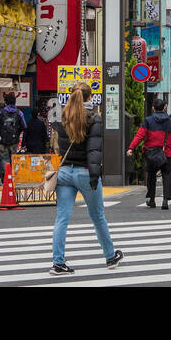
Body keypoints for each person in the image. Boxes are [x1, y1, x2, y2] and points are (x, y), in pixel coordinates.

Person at [49, 82, 123, 275]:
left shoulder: (64, 116)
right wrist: (94, 175)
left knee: (62, 218)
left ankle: (58, 263)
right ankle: (110, 256)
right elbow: (94, 151)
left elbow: (57, 146)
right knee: (98, 216)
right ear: (90, 98)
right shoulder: (94, 119)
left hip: (64, 172)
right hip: (84, 172)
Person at [127, 98, 171, 209]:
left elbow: (140, 136)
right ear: (164, 108)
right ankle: (165, 200)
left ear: (153, 108)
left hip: (151, 154)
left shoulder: (148, 121)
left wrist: (131, 147)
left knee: (151, 176)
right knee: (167, 176)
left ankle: (152, 199)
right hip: (167, 153)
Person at [0, 94, 27, 179]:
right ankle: (13, 177)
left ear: (5, 102)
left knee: (4, 158)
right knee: (13, 158)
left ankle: (5, 178)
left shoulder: (0, 112)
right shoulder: (19, 112)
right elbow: (25, 126)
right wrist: (18, 132)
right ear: (15, 102)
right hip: (14, 141)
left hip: (2, 140)